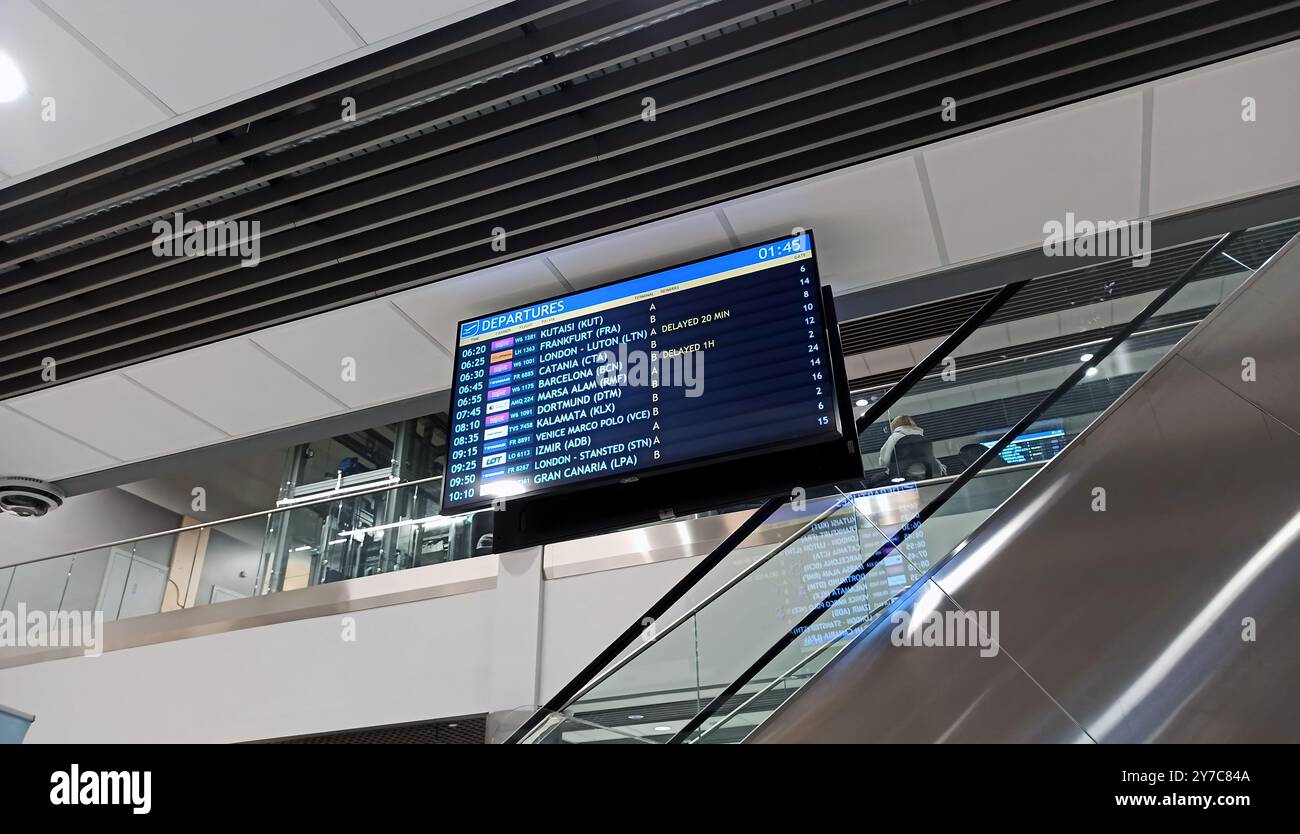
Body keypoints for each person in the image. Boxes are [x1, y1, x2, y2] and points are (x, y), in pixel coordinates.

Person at [878, 415, 946, 478]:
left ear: (894, 426)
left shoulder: (895, 437)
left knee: (875, 479)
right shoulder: (922, 438)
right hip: (925, 475)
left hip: (904, 476)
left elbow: (885, 460)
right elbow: (930, 459)